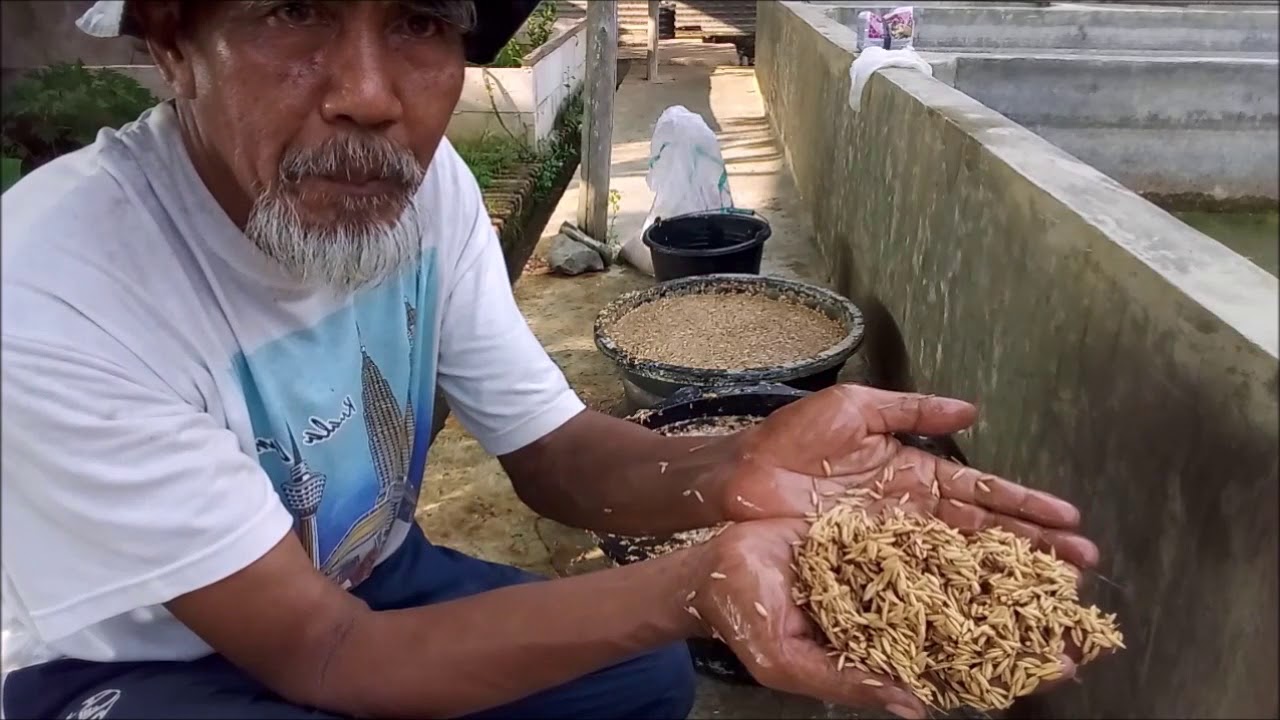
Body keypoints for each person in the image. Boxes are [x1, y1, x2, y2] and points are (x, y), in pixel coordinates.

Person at [0, 2, 1101, 719]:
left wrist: (741, 468)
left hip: (366, 573)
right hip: (140, 667)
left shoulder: (424, 197)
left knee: (637, 674)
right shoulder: (57, 287)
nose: (371, 93)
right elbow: (323, 655)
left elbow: (552, 452)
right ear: (170, 44)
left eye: (420, 22)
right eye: (293, 11)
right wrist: (689, 584)